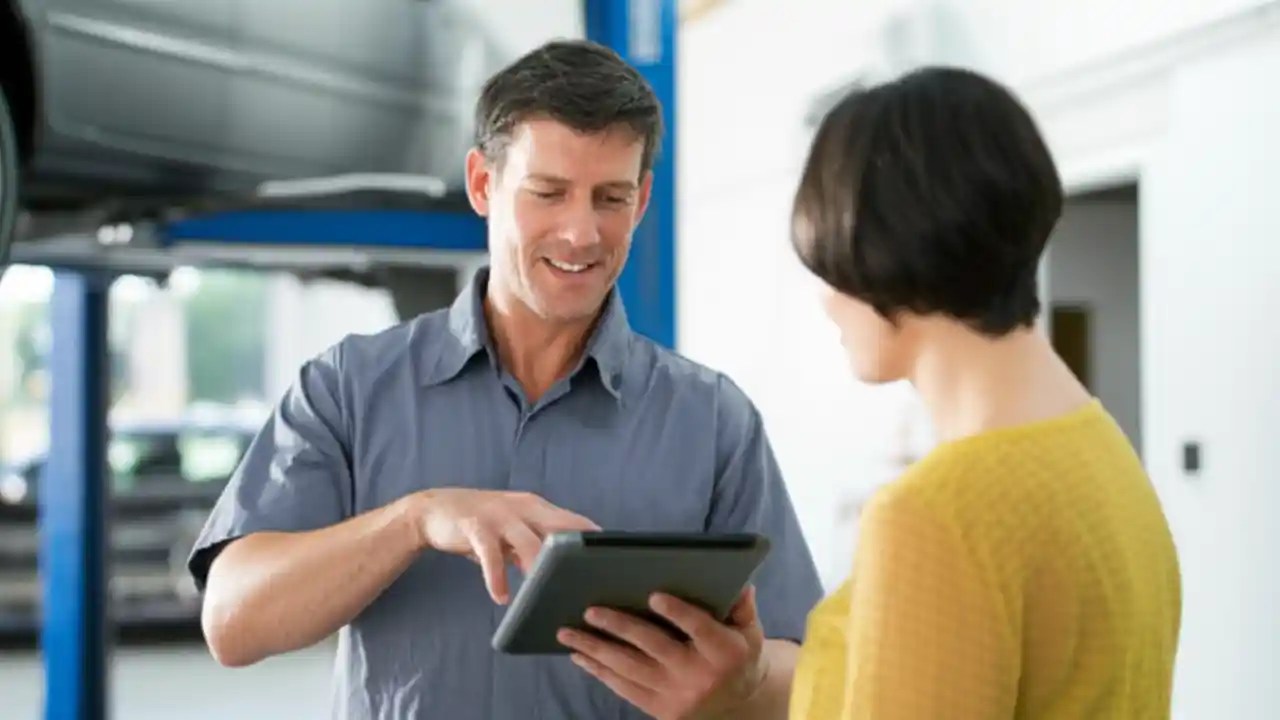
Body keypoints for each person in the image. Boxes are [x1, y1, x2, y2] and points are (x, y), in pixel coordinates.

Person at [188, 39, 823, 720]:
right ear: (483, 183)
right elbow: (233, 620)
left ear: (641, 202)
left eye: (610, 198)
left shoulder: (712, 420)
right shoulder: (351, 386)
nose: (581, 233)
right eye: (548, 194)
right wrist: (416, 518)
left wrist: (746, 682)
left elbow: (808, 674)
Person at [783, 67, 1182, 719]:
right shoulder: (1104, 456)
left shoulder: (934, 516)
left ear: (884, 247)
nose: (829, 302)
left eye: (831, 265)